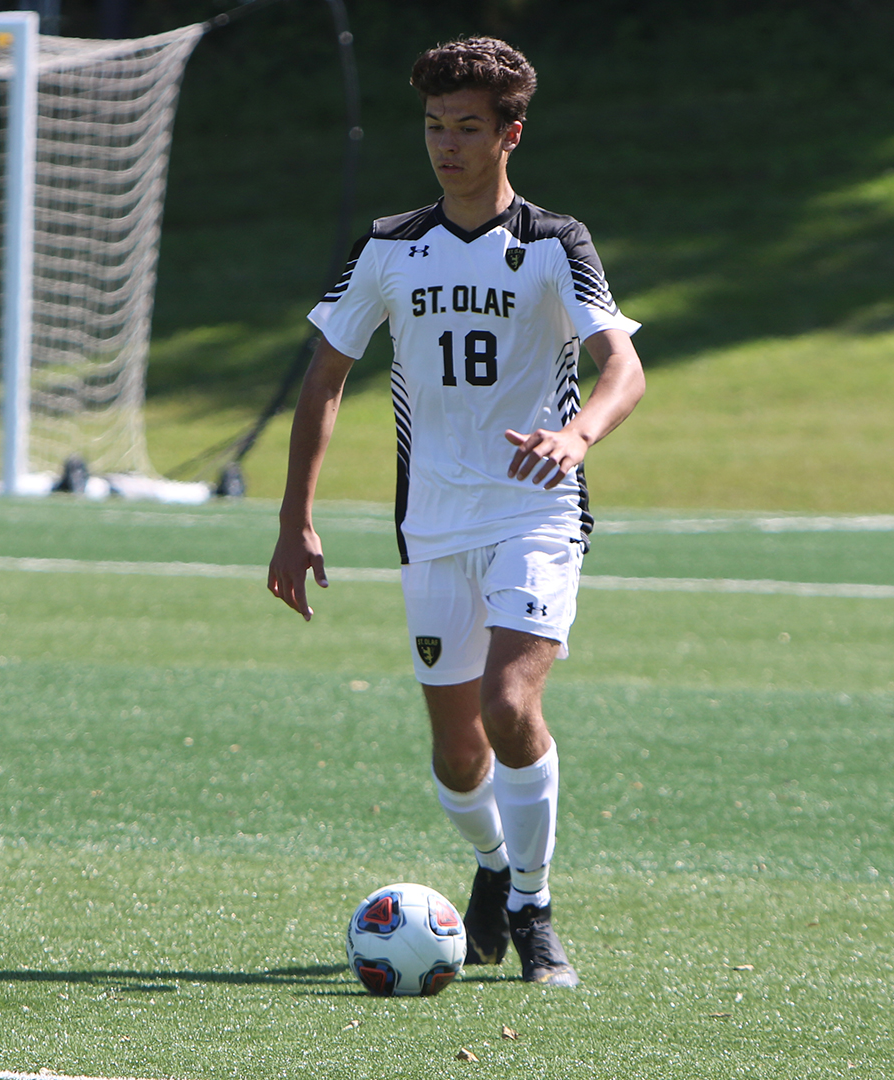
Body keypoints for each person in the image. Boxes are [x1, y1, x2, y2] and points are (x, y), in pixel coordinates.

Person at [268, 36, 646, 988]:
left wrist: (578, 437)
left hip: (536, 512)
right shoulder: (390, 246)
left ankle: (533, 904)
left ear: (510, 134)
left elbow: (623, 368)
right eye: (435, 126)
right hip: (430, 526)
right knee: (455, 749)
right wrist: (293, 520)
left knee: (510, 704)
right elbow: (325, 379)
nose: (446, 144)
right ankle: (488, 868)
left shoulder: (555, 244)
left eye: (468, 128)